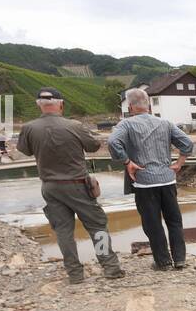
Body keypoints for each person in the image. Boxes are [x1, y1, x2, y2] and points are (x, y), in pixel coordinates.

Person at [16, 87, 123, 285]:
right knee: (97, 226)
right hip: (77, 185)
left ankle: (74, 274)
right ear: (61, 104)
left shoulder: (29, 128)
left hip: (50, 187)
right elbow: (93, 146)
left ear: (38, 105)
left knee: (63, 231)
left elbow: (25, 150)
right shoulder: (74, 125)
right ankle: (110, 267)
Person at [107, 88, 193, 271]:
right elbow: (187, 143)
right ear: (148, 106)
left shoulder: (126, 125)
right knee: (174, 221)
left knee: (153, 223)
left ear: (130, 106)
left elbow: (113, 142)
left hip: (144, 182)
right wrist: (179, 163)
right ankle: (180, 259)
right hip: (167, 180)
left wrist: (127, 161)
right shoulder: (165, 123)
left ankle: (163, 262)